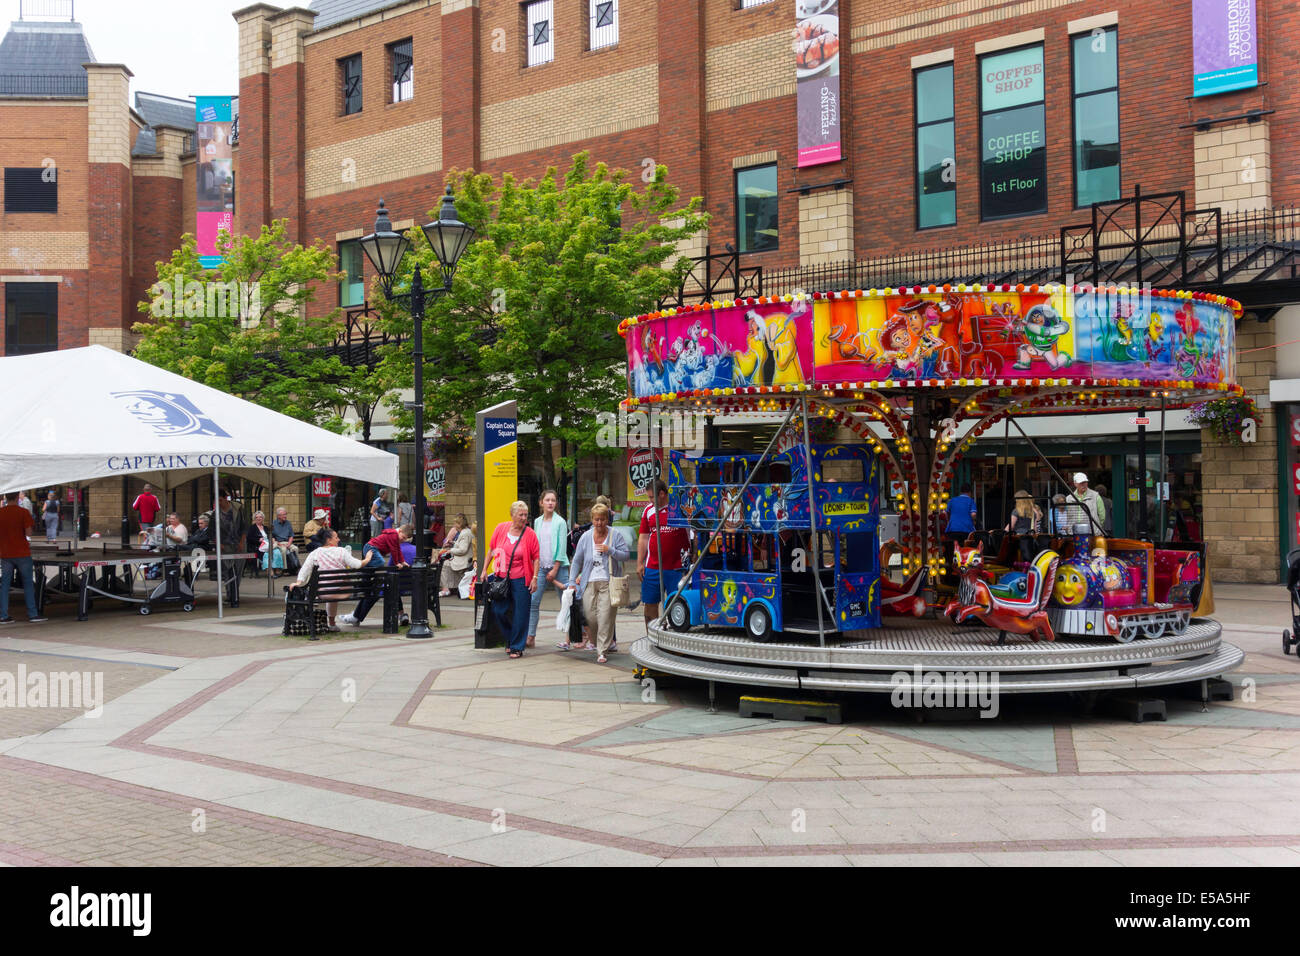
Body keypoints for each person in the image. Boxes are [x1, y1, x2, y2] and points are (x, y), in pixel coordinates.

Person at [567, 503, 630, 663]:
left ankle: (602, 650)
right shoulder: (586, 537)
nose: (599, 523)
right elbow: (577, 561)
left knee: (605, 617)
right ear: (592, 520)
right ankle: (596, 641)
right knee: (590, 616)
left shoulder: (615, 535)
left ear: (607, 520)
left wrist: (611, 550)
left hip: (608, 582)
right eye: (596, 520)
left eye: (602, 520)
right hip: (589, 582)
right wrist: (572, 581)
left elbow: (626, 555)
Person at [484, 501, 540, 659]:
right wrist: (483, 570)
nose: (524, 518)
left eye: (525, 515)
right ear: (512, 515)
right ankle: (510, 638)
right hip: (501, 577)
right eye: (520, 515)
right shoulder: (501, 528)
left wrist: (534, 578)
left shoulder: (530, 534)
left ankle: (517, 646)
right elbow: (491, 550)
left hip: (522, 578)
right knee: (498, 610)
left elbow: (536, 558)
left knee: (521, 614)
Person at [638, 481, 689, 633]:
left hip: (677, 567)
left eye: (652, 497)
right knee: (650, 603)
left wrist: (692, 559)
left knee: (678, 603)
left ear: (662, 494)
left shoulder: (680, 508)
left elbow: (692, 533)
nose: (650, 501)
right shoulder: (648, 511)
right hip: (653, 566)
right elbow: (643, 537)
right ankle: (652, 634)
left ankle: (676, 636)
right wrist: (640, 563)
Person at [338, 523, 412, 626]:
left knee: (372, 590)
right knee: (380, 565)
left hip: (386, 584)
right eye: (403, 537)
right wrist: (398, 563)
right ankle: (401, 614)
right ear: (399, 531)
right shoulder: (394, 537)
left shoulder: (396, 539)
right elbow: (395, 551)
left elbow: (397, 551)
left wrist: (401, 562)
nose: (403, 540)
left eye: (405, 539)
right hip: (372, 550)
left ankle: (355, 617)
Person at [293, 529, 365, 632]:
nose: (338, 539)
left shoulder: (315, 553)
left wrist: (298, 582)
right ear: (329, 540)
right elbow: (357, 565)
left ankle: (326, 624)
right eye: (336, 537)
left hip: (324, 593)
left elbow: (305, 569)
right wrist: (367, 558)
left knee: (326, 587)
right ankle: (332, 624)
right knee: (336, 586)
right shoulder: (342, 551)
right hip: (343, 591)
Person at [527, 489, 570, 649]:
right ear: (541, 503)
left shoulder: (560, 522)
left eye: (553, 500)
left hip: (559, 567)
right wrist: (535, 570)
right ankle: (530, 637)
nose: (551, 503)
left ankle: (569, 638)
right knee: (533, 602)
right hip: (541, 567)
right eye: (547, 500)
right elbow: (535, 545)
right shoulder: (537, 521)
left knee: (566, 602)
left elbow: (562, 547)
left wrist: (555, 568)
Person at [0, 491, 46, 624]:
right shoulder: (23, 512)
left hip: (5, 553)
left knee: (4, 585)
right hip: (22, 552)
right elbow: (29, 532)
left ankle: (3, 615)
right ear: (16, 497)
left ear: (5, 498)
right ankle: (32, 614)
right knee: (28, 584)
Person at [438, 514, 474, 597]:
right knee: (446, 563)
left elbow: (463, 550)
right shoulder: (466, 532)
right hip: (464, 558)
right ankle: (451, 587)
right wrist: (452, 543)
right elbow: (462, 545)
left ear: (459, 524)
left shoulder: (464, 533)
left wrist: (450, 551)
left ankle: (446, 589)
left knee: (444, 564)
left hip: (464, 560)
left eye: (455, 523)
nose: (454, 525)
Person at [1003, 491, 1042, 564]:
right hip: (1029, 538)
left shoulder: (1016, 511)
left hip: (1018, 538)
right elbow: (1035, 528)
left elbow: (1011, 526)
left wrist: (1003, 533)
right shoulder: (1032, 512)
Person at [271, 507, 298, 571]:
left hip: (287, 542)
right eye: (283, 514)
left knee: (295, 548)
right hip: (279, 543)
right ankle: (285, 569)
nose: (285, 516)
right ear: (278, 516)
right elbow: (271, 537)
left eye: (285, 514)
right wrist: (277, 543)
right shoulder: (273, 524)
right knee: (283, 550)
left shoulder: (288, 523)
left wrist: (289, 544)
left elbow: (291, 536)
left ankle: (295, 566)